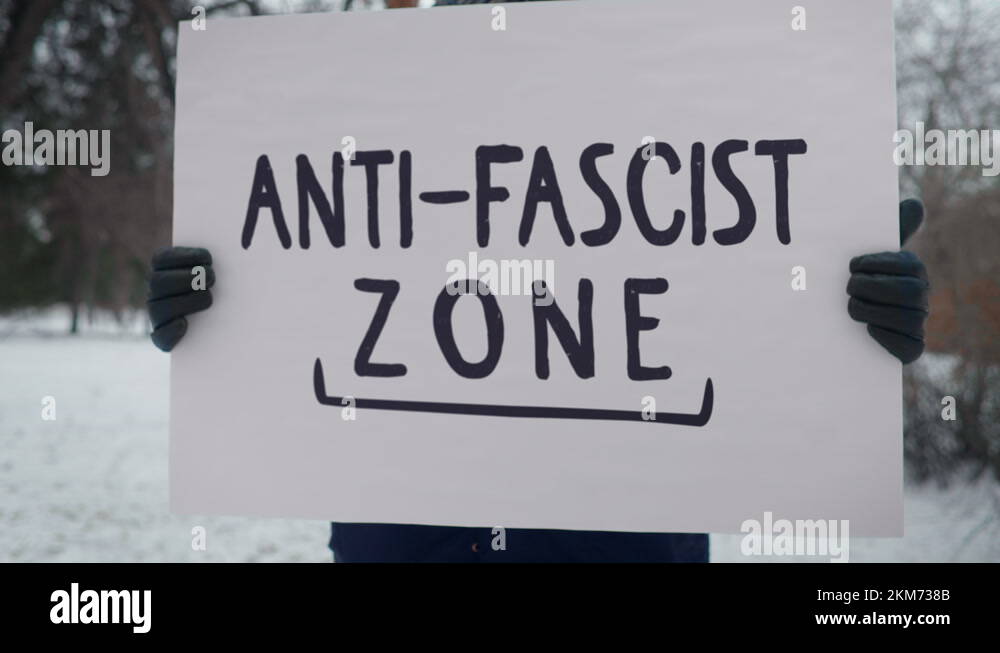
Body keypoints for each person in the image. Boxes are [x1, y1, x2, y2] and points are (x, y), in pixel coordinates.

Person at [147, 0, 931, 562]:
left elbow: (726, 315)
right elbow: (312, 298)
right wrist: (216, 314)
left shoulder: (673, 85)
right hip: (399, 539)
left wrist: (844, 318)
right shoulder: (359, 106)